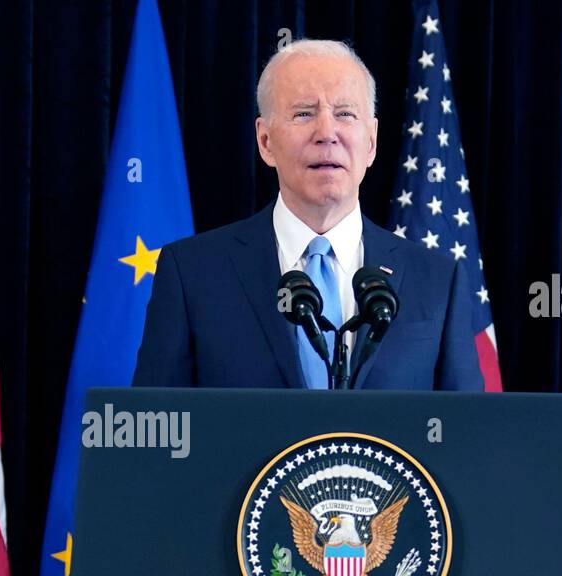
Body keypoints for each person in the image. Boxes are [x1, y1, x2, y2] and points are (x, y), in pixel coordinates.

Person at [133, 38, 484, 390]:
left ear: (372, 141)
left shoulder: (439, 281)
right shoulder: (192, 274)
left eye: (345, 114)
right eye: (304, 113)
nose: (327, 133)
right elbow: (156, 429)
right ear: (266, 140)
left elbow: (468, 435)